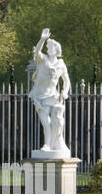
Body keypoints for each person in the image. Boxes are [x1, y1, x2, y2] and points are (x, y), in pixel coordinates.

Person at [29, 28, 71, 157]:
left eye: (51, 46)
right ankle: (47, 144)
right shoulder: (43, 59)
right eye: (48, 47)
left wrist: (64, 92)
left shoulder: (61, 64)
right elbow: (37, 51)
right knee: (45, 121)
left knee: (57, 120)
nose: (49, 48)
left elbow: (66, 80)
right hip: (39, 95)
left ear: (56, 49)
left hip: (53, 95)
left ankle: (53, 144)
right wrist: (42, 39)